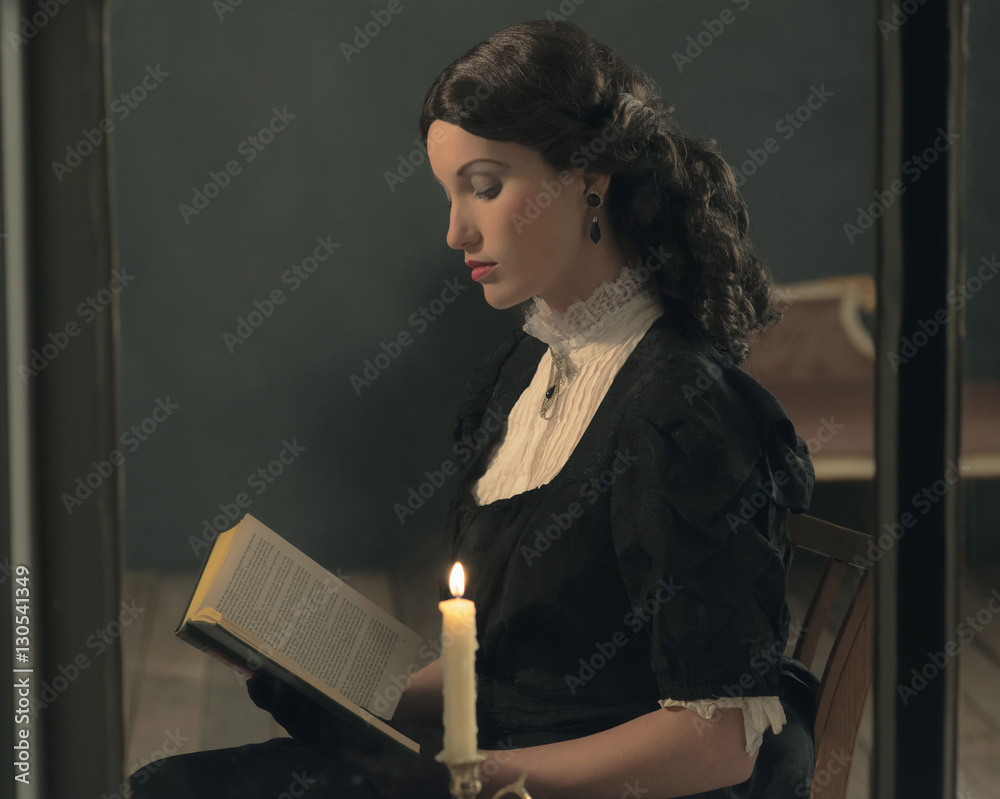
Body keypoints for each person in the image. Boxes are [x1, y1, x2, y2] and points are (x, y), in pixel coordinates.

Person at [129, 18, 818, 799]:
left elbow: (721, 741)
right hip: (496, 755)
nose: (456, 229)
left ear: (589, 178)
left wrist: (491, 775)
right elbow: (515, 665)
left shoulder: (682, 407)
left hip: (590, 785)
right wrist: (337, 683)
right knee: (172, 785)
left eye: (485, 187)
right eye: (449, 193)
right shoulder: (528, 368)